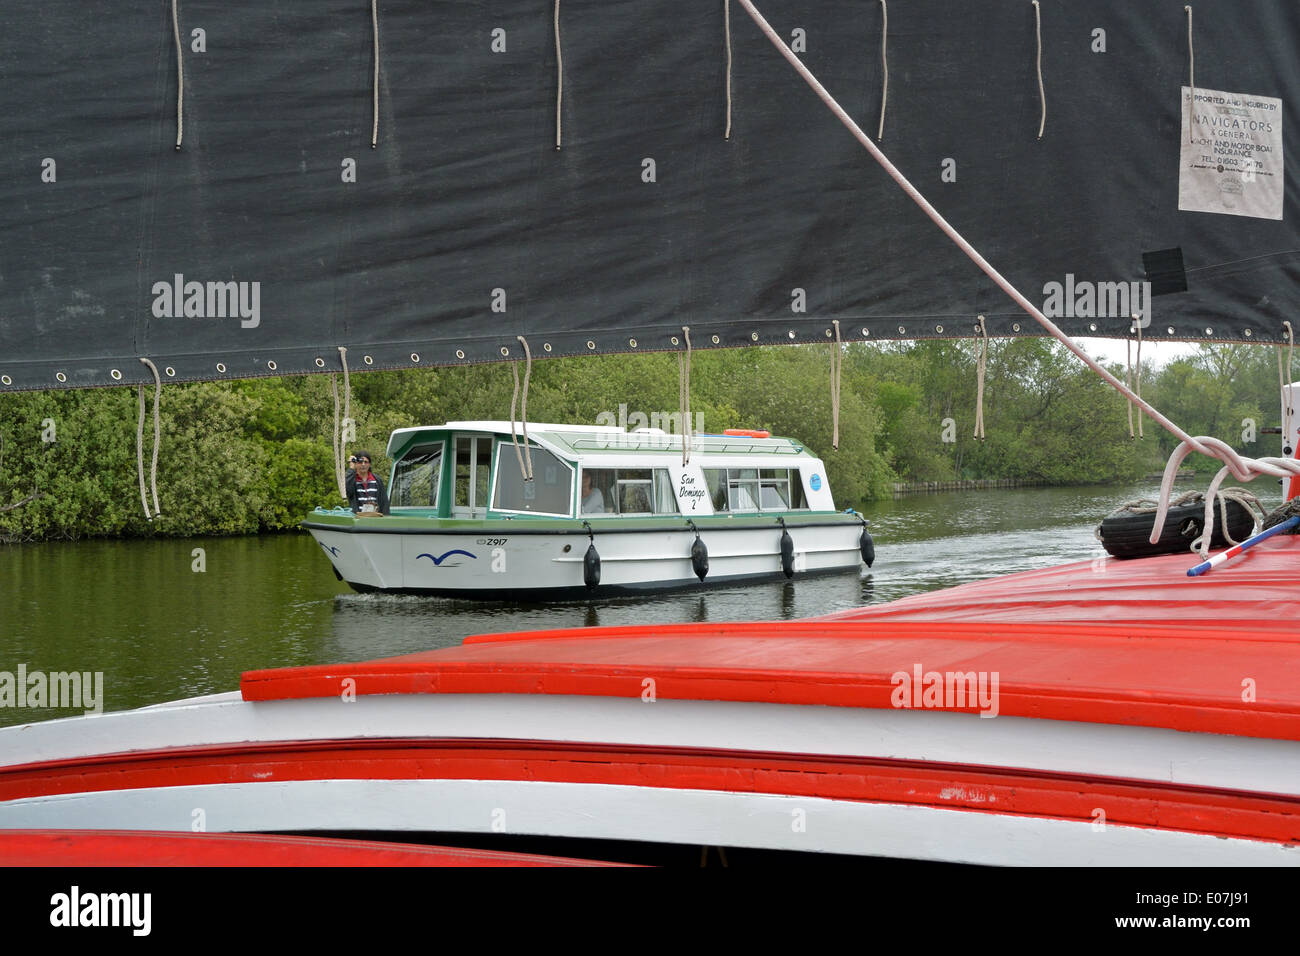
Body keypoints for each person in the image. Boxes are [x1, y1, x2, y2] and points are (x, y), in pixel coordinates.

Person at [346, 451, 390, 515]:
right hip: (358, 519)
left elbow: (384, 502)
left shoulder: (377, 480)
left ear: (369, 464)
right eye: (360, 462)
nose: (363, 464)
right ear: (356, 464)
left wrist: (386, 518)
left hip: (375, 519)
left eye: (366, 462)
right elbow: (348, 491)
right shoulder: (352, 480)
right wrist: (351, 469)